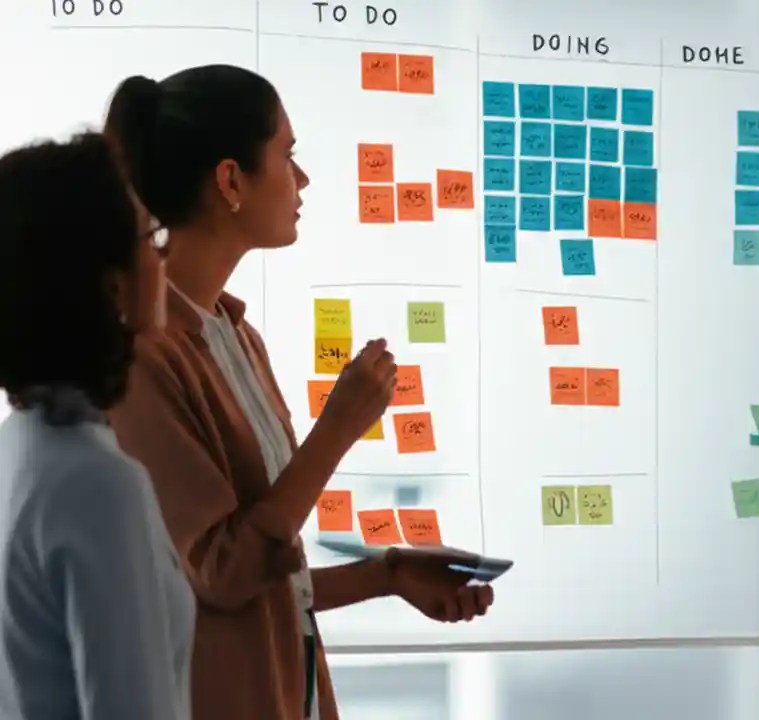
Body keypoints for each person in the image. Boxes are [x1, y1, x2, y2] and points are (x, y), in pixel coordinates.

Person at [103, 65, 494, 720]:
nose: (303, 179)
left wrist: (390, 573)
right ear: (231, 181)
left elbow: (264, 571)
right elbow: (221, 571)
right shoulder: (145, 358)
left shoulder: (235, 334)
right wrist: (339, 428)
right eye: (286, 155)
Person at [0, 133, 193, 718]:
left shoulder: (19, 446)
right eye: (149, 237)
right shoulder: (98, 483)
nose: (163, 258)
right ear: (112, 285)